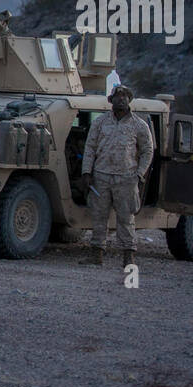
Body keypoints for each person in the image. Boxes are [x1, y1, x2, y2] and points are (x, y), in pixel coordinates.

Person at [80, 85, 153, 267]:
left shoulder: (139, 125)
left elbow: (147, 151)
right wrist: (86, 172)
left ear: (129, 100)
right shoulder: (100, 122)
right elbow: (90, 147)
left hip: (126, 179)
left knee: (126, 218)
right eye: (118, 96)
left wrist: (139, 174)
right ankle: (96, 255)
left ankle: (128, 257)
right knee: (98, 216)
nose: (121, 99)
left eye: (125, 96)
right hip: (101, 176)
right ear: (111, 100)